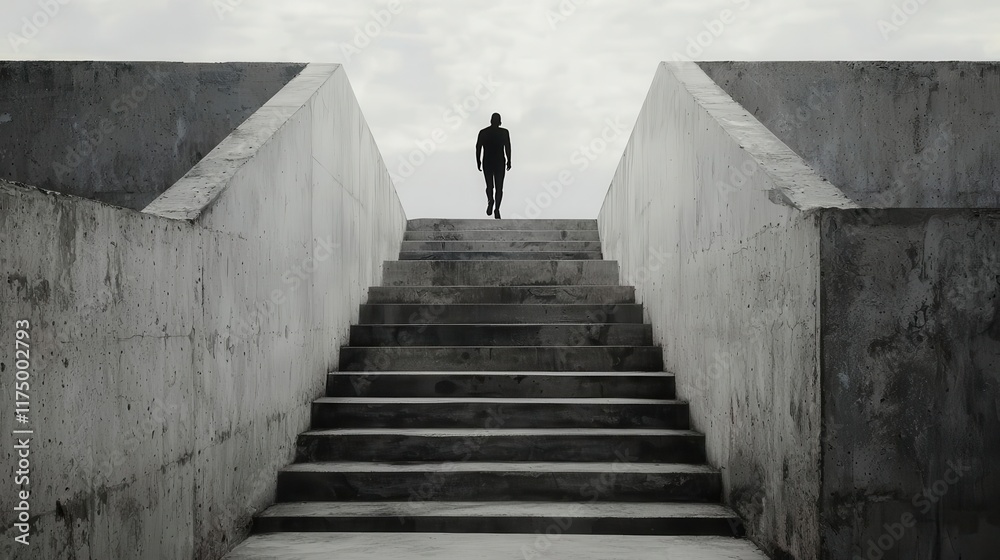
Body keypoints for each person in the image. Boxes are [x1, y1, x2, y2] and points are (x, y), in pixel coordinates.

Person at [476, 113, 511, 219]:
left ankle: (492, 203)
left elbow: (478, 147)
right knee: (498, 187)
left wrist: (478, 160)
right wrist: (509, 160)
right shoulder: (503, 132)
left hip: (488, 161)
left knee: (490, 186)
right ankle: (496, 207)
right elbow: (508, 147)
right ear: (499, 121)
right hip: (498, 162)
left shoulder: (484, 132)